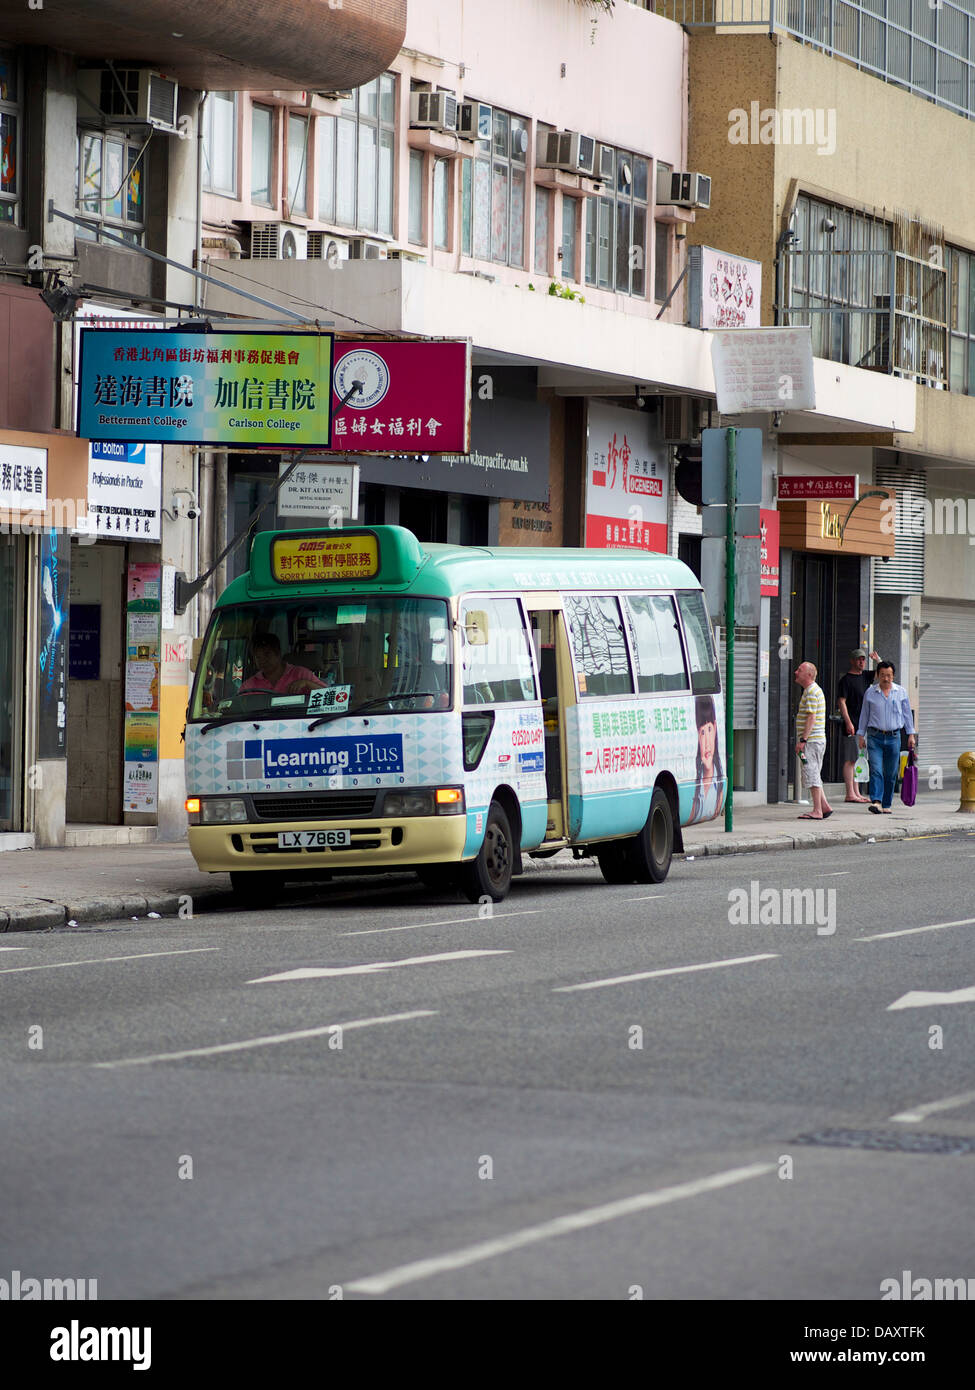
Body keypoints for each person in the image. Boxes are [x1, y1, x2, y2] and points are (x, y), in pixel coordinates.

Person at [857, 660, 916, 814]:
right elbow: (864, 714)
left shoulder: (901, 692)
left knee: (890, 773)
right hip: (874, 736)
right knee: (876, 769)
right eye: (882, 675)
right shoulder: (870, 692)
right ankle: (876, 801)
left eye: (889, 675)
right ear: (878, 675)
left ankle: (886, 803)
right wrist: (861, 735)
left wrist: (911, 735)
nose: (886, 678)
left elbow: (907, 715)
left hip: (894, 737)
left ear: (893, 676)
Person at [837, 646, 881, 803]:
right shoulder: (846, 680)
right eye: (858, 659)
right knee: (850, 759)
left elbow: (884, 673)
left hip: (863, 725)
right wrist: (848, 721)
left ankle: (857, 792)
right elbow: (841, 702)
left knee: (858, 758)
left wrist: (877, 660)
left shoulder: (866, 676)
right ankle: (850, 793)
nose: (861, 662)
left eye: (863, 659)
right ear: (852, 661)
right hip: (853, 724)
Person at [794, 660, 832, 820]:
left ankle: (817, 810)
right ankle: (824, 806)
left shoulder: (810, 692)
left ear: (809, 675)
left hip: (811, 741)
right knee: (814, 772)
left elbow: (811, 716)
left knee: (811, 772)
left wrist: (803, 739)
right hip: (816, 740)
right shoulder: (814, 690)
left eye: (799, 670)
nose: (796, 672)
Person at [240, 633, 324, 696]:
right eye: (258, 657)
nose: (262, 660)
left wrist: (307, 684)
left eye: (267, 654)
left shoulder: (300, 674)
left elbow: (328, 695)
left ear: (278, 653)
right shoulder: (249, 686)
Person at [689, 694, 725, 823]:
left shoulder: (719, 785)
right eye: (702, 732)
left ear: (715, 728)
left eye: (709, 729)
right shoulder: (695, 784)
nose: (707, 743)